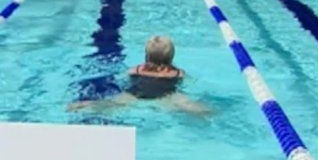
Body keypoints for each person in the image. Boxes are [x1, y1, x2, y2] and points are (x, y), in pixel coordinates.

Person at [68, 36, 211, 115]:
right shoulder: (177, 72)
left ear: (147, 56)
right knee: (188, 105)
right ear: (171, 57)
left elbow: (122, 78)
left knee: (112, 104)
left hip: (136, 93)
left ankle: (83, 105)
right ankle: (207, 114)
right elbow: (190, 83)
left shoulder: (136, 69)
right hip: (167, 93)